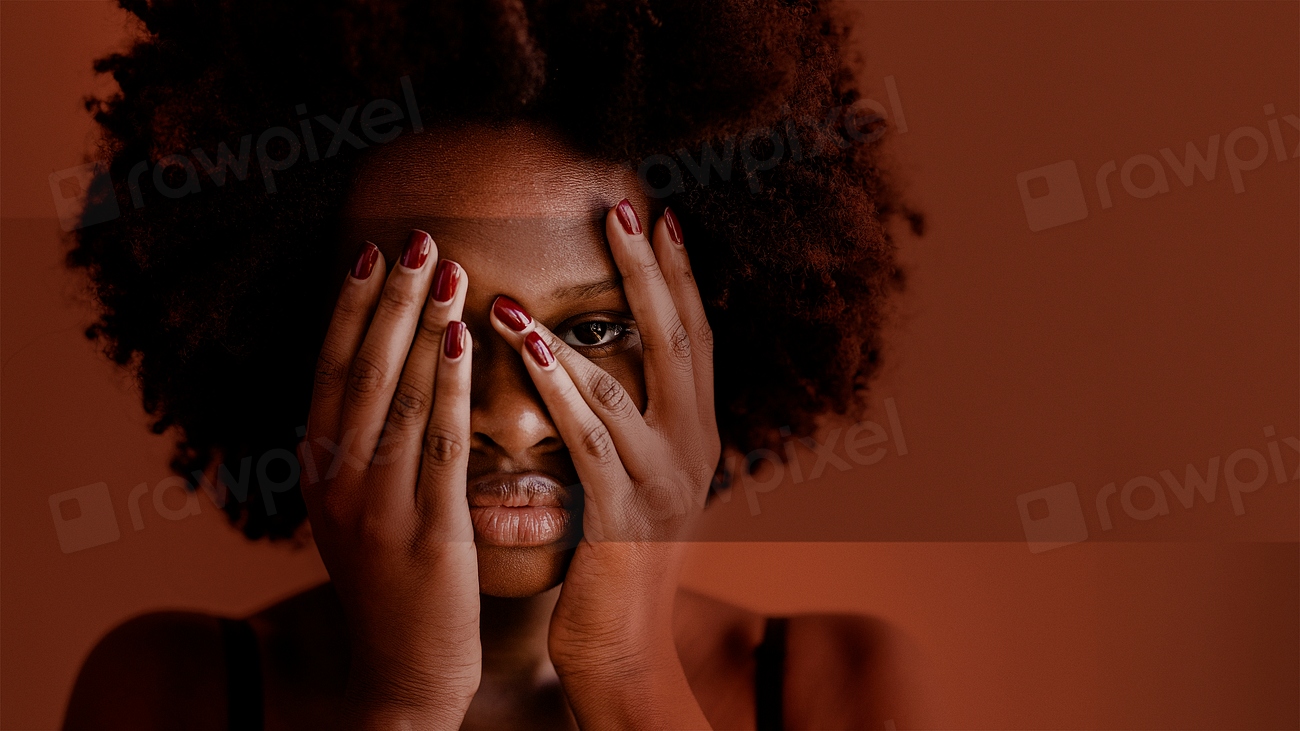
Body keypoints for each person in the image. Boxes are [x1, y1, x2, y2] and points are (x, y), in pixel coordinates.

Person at [62, 0, 926, 728]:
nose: (511, 417)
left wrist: (629, 675)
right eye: (432, 333)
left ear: (696, 348)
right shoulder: (171, 691)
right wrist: (406, 699)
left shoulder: (837, 687)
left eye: (591, 333)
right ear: (307, 346)